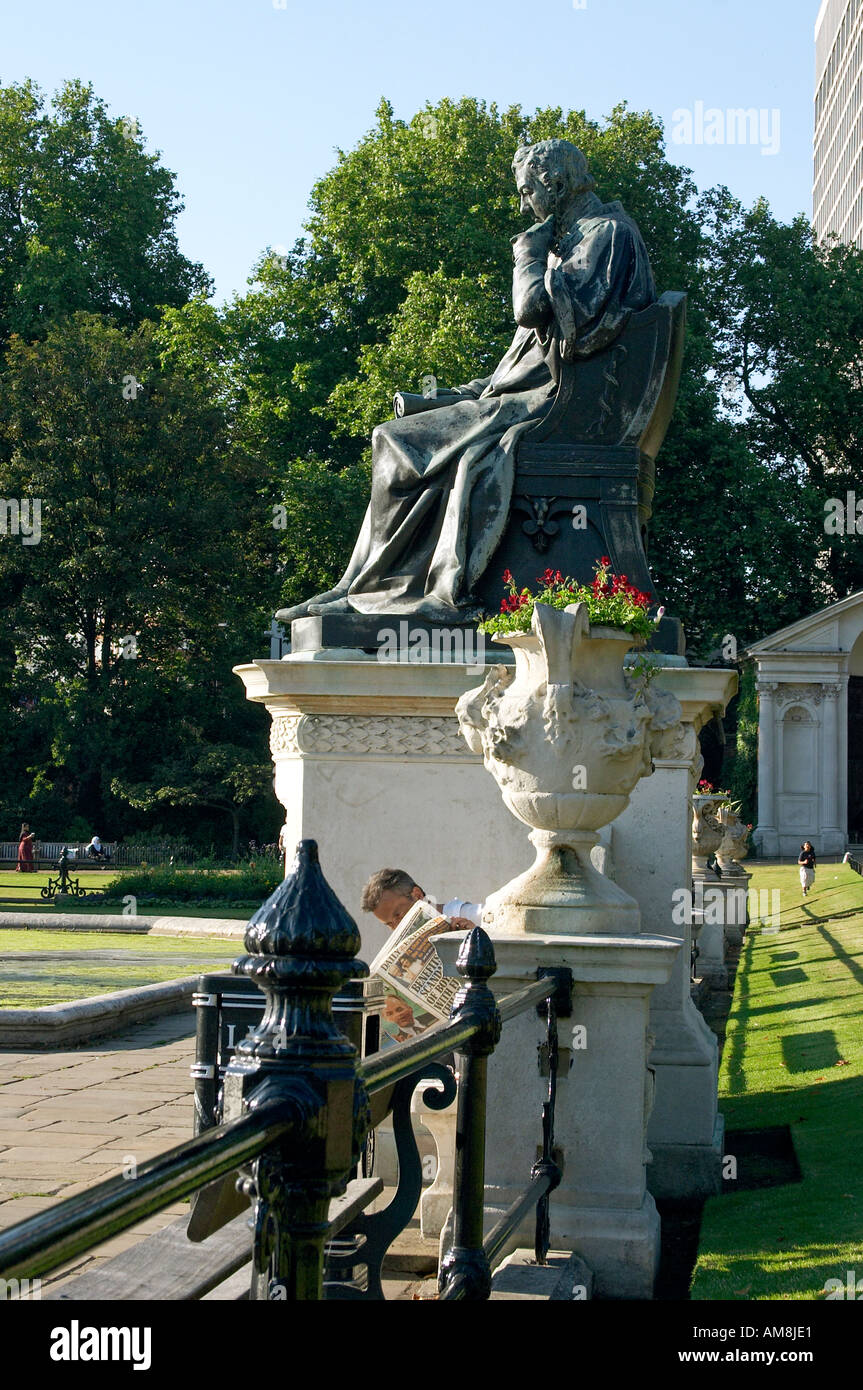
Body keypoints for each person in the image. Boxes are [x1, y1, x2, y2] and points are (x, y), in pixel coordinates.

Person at [278, 138, 655, 625]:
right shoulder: (580, 242)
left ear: (554, 184)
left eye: (526, 192)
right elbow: (523, 360)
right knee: (408, 440)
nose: (524, 206)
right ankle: (362, 584)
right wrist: (455, 397)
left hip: (560, 408)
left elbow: (532, 312)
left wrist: (527, 255)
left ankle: (372, 588)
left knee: (393, 442)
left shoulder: (603, 235)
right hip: (531, 397)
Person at [360, 868, 481, 933]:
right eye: (390, 924)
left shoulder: (475, 915)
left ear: (417, 895)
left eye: (398, 915)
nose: (398, 926)